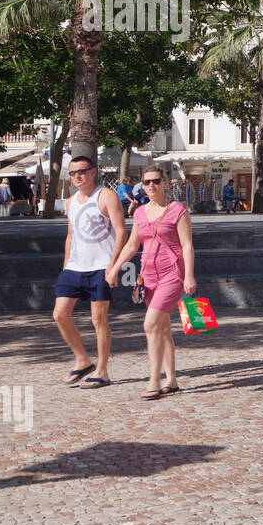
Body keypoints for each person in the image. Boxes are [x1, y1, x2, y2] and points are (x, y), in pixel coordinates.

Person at [106, 165, 196, 399]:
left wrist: (189, 275)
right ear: (142, 186)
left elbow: (187, 245)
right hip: (148, 277)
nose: (151, 186)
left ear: (165, 182)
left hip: (172, 274)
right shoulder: (139, 212)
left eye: (156, 181)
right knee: (163, 329)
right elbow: (132, 245)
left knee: (150, 325)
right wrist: (115, 268)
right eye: (146, 182)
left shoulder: (177, 209)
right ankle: (172, 379)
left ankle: (154, 380)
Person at [53, 155, 126, 389]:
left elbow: (121, 232)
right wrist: (65, 265)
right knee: (59, 314)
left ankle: (102, 370)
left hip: (100, 267)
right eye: (73, 173)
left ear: (93, 171)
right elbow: (70, 235)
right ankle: (83, 360)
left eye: (82, 171)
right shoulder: (71, 201)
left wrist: (113, 266)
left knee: (99, 320)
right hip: (74, 267)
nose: (77, 176)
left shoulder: (105, 196)